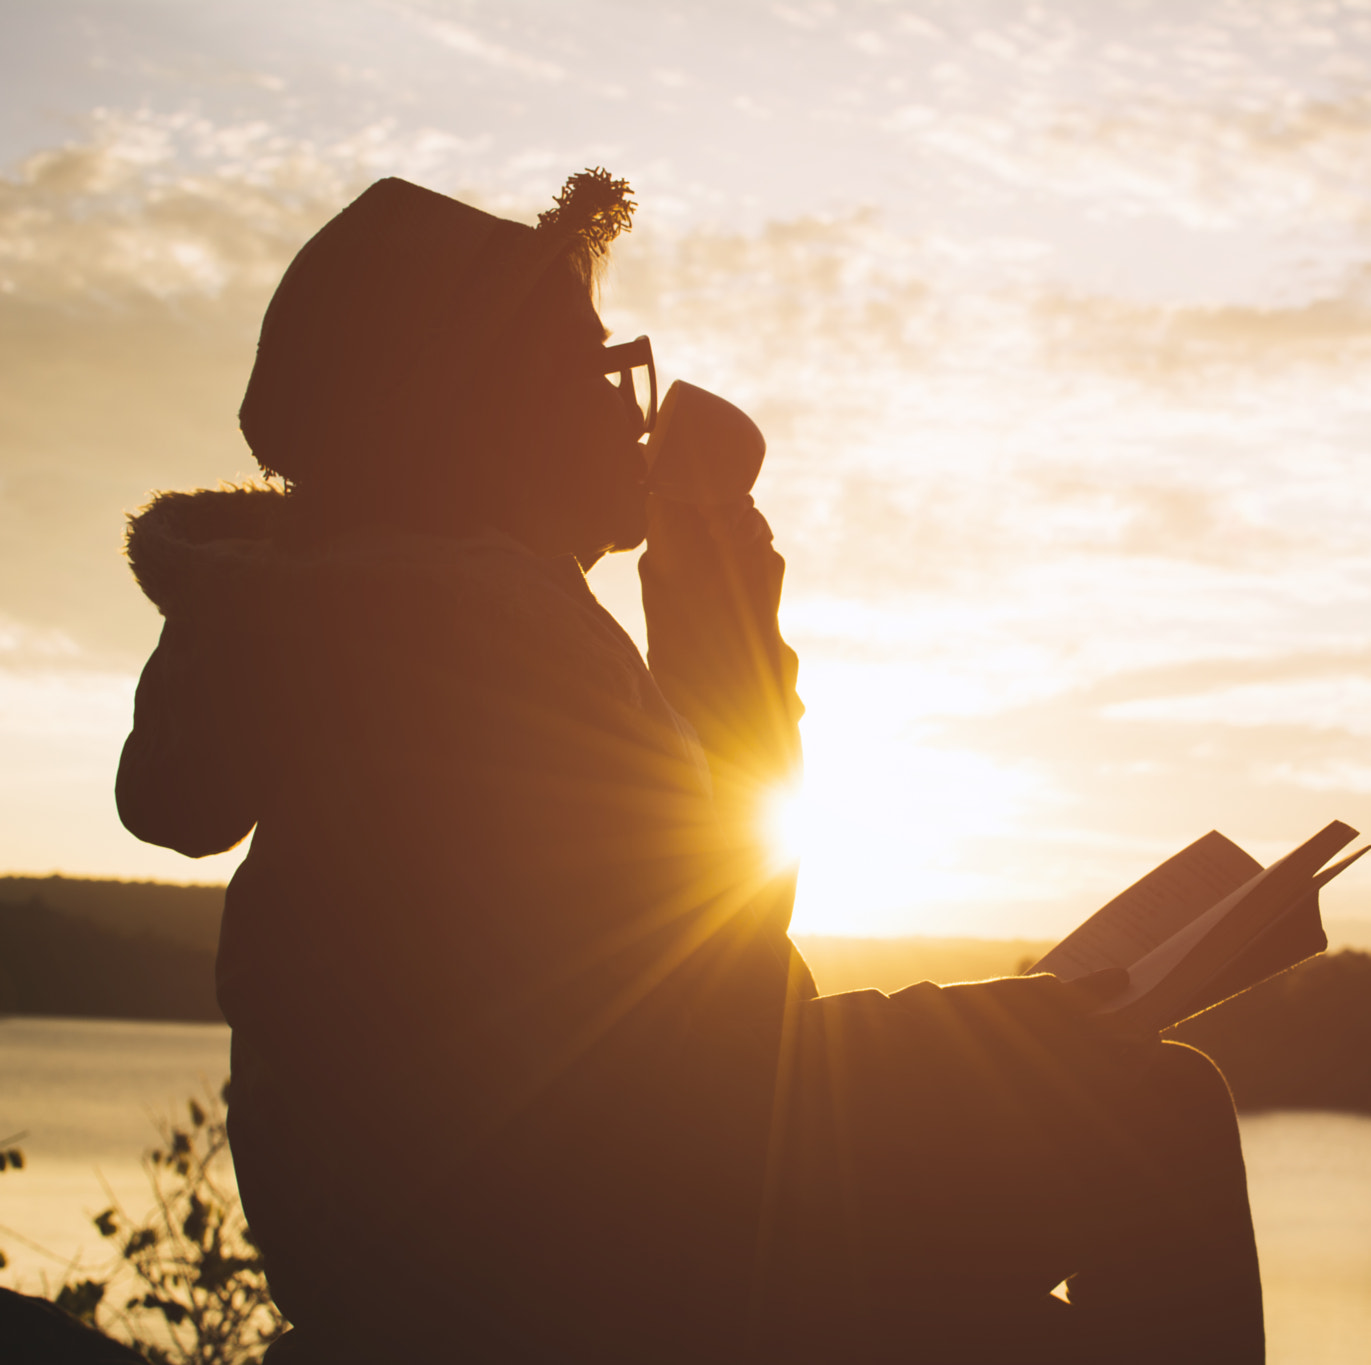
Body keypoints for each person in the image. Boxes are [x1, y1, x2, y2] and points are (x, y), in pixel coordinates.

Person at [116, 171, 1263, 1363]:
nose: (635, 407)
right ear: (474, 410)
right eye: (592, 368)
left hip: (414, 1243)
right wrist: (709, 540)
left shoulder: (368, 616)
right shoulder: (480, 629)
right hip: (566, 1251)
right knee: (1153, 1115)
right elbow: (722, 999)